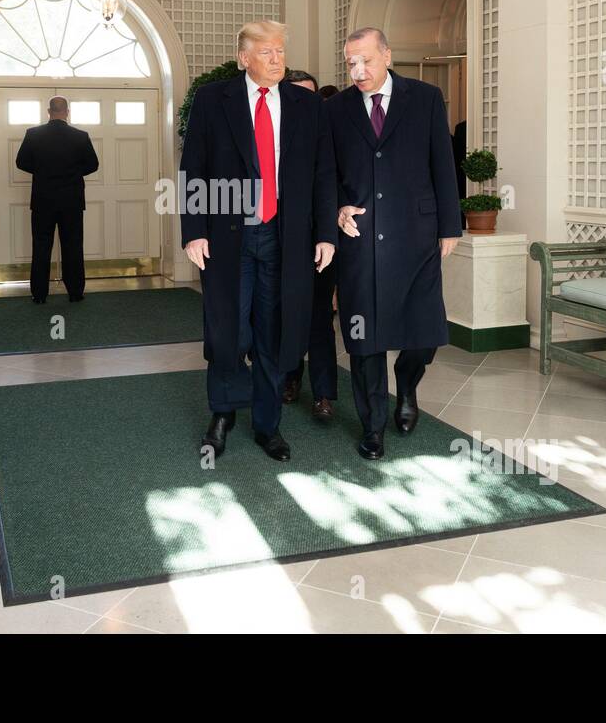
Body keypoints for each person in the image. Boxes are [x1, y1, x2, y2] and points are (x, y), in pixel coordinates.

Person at [179, 23, 336, 461]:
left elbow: (324, 174)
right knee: (229, 329)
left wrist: (325, 234)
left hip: (285, 237)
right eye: (266, 52)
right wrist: (193, 231)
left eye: (280, 51)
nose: (275, 59)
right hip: (229, 235)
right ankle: (223, 414)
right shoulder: (214, 100)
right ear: (243, 58)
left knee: (275, 332)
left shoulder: (307, 105)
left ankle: (269, 425)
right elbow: (193, 167)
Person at [327, 27, 462, 460]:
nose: (358, 70)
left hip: (416, 237)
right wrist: (337, 208)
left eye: (365, 60)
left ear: (387, 54)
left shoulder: (424, 99)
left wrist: (450, 226)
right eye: (350, 63)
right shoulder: (334, 109)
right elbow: (322, 172)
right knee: (364, 339)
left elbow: (443, 162)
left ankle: (407, 385)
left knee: (424, 333)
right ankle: (373, 427)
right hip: (360, 242)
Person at [280, 72, 339, 421]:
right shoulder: (274, 136)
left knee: (319, 319)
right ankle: (289, 378)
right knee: (287, 316)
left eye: (311, 96)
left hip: (322, 242)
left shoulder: (325, 131)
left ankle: (323, 394)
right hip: (283, 243)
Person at [14, 96, 99, 303]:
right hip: (72, 199)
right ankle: (75, 292)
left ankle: (40, 294)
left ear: (48, 111)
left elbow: (21, 162)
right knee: (73, 245)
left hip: (43, 198)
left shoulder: (33, 135)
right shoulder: (80, 136)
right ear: (67, 112)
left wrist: (42, 171)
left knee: (41, 245)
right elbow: (93, 164)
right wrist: (72, 173)